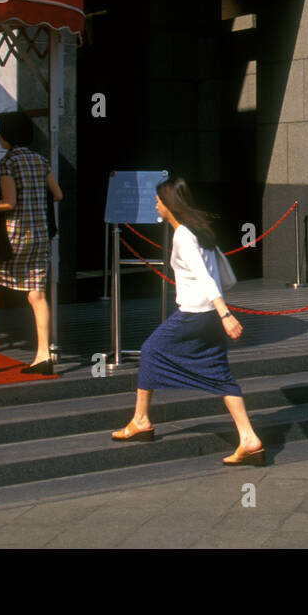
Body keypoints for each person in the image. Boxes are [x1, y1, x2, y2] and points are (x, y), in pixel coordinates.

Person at [111, 176, 263, 466]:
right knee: (219, 373)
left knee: (150, 349)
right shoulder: (199, 230)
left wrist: (226, 314)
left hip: (195, 315)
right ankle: (248, 438)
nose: (155, 204)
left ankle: (141, 420)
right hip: (208, 317)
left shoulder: (182, 234)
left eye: (158, 200)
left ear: (169, 203)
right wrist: (221, 314)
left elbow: (204, 276)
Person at [0, 111, 62, 373]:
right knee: (37, 294)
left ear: (5, 135)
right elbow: (58, 194)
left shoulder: (8, 163)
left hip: (15, 235)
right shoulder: (41, 161)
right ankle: (43, 355)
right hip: (40, 236)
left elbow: (9, 202)